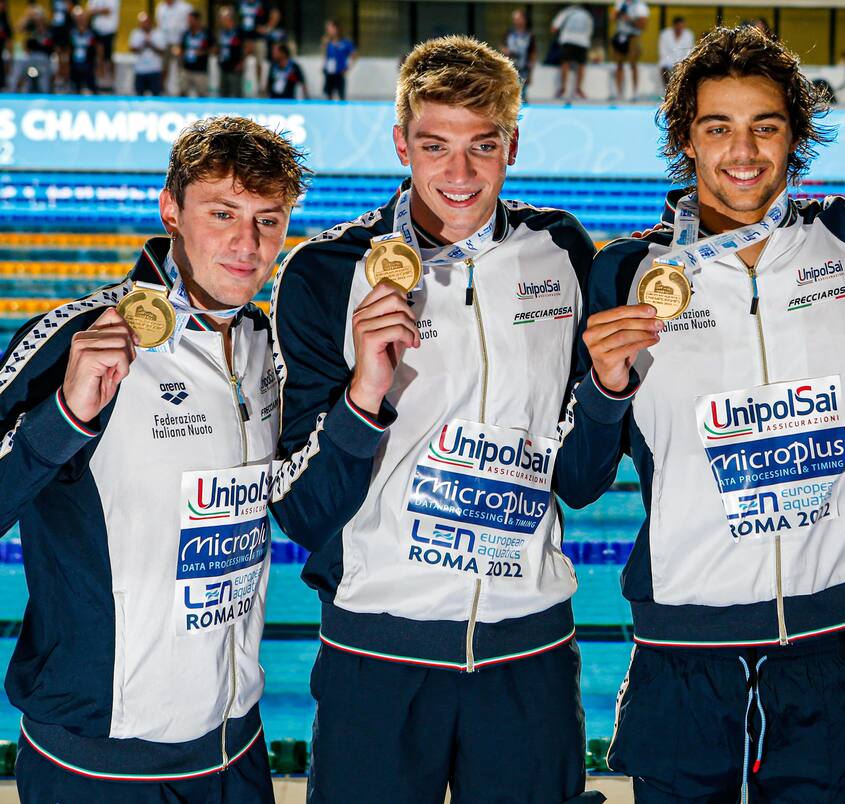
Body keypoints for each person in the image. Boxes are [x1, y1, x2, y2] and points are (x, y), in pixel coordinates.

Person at [557, 25, 845, 802]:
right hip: (682, 656)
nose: (744, 150)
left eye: (766, 126)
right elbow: (580, 482)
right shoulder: (627, 272)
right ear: (686, 141)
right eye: (718, 127)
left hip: (825, 655)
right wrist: (604, 390)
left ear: (795, 138)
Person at [270, 35, 599, 803]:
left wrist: (611, 395)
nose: (459, 173)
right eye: (435, 145)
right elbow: (299, 510)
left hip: (531, 651)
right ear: (400, 144)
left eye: (482, 146)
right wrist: (364, 396)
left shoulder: (563, 253)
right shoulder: (325, 275)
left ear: (511, 144)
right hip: (377, 654)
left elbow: (583, 479)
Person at [0, 114, 306, 804]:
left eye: (268, 219)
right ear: (170, 207)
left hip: (237, 752)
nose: (246, 243)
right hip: (98, 764)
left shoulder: (265, 343)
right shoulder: (75, 339)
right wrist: (65, 417)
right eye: (222, 212)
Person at [551, 2, 591, 100]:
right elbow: (590, 31)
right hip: (583, 42)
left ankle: (563, 89)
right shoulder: (587, 15)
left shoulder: (566, 12)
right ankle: (578, 89)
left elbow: (554, 28)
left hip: (567, 40)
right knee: (581, 65)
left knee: (565, 63)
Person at [609, 0, 647, 101]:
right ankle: (618, 93)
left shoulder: (640, 6)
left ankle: (634, 93)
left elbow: (643, 25)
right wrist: (617, 13)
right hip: (620, 36)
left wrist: (629, 19)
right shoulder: (620, 3)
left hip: (633, 37)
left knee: (633, 64)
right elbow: (612, 18)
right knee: (619, 64)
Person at [154, 0, 192, 92]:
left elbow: (189, 24)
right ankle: (162, 90)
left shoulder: (185, 7)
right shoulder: (160, 7)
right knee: (164, 67)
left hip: (180, 42)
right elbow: (159, 24)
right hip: (166, 43)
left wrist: (184, 43)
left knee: (181, 68)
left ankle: (182, 91)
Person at [129, 11, 166, 96]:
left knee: (156, 95)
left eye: (146, 22)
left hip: (154, 69)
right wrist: (143, 45)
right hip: (140, 70)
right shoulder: (135, 33)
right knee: (139, 95)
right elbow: (132, 49)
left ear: (150, 22)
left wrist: (151, 45)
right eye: (142, 23)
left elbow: (162, 51)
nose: (144, 24)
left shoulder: (158, 33)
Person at [502, 9, 535, 102]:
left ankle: (521, 110)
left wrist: (531, 71)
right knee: (510, 91)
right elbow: (503, 46)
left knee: (520, 92)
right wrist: (506, 51)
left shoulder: (529, 34)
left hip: (523, 68)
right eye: (514, 19)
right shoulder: (509, 32)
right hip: (510, 66)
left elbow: (532, 52)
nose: (516, 21)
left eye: (518, 18)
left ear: (524, 20)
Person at [177, 10, 212, 97]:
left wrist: (202, 52)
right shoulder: (186, 33)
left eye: (191, 20)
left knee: (202, 95)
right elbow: (181, 48)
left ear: (197, 20)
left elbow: (214, 48)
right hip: (186, 69)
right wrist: (180, 53)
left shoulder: (206, 33)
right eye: (188, 20)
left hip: (200, 70)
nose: (189, 22)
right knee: (182, 93)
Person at [319, 19, 355, 101]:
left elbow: (354, 56)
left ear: (336, 29)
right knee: (328, 94)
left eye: (330, 28)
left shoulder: (345, 42)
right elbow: (324, 56)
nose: (328, 31)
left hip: (339, 72)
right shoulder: (327, 42)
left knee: (341, 95)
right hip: (329, 71)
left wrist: (347, 68)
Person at [85, 0, 117, 88]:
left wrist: (94, 11)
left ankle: (110, 80)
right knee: (97, 56)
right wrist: (98, 11)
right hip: (95, 30)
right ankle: (98, 79)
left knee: (108, 57)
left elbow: (108, 11)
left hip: (108, 31)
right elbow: (88, 11)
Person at [66, 5, 97, 93]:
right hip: (74, 64)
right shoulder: (71, 31)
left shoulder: (92, 31)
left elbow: (98, 48)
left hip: (88, 64)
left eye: (82, 18)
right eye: (78, 18)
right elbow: (68, 48)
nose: (81, 20)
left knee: (92, 88)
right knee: (75, 88)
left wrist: (99, 65)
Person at [656, 15, 692, 88]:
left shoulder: (689, 34)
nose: (680, 28)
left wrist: (680, 63)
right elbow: (662, 52)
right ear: (674, 26)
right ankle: (667, 90)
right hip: (668, 61)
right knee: (663, 66)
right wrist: (673, 63)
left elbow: (689, 51)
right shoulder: (664, 34)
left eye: (682, 26)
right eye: (678, 26)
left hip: (682, 62)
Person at [215, 5, 243, 97]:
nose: (221, 20)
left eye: (223, 18)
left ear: (229, 18)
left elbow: (245, 47)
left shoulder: (238, 31)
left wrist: (241, 62)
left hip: (235, 66)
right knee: (223, 92)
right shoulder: (221, 32)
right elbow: (219, 47)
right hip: (224, 65)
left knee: (235, 92)